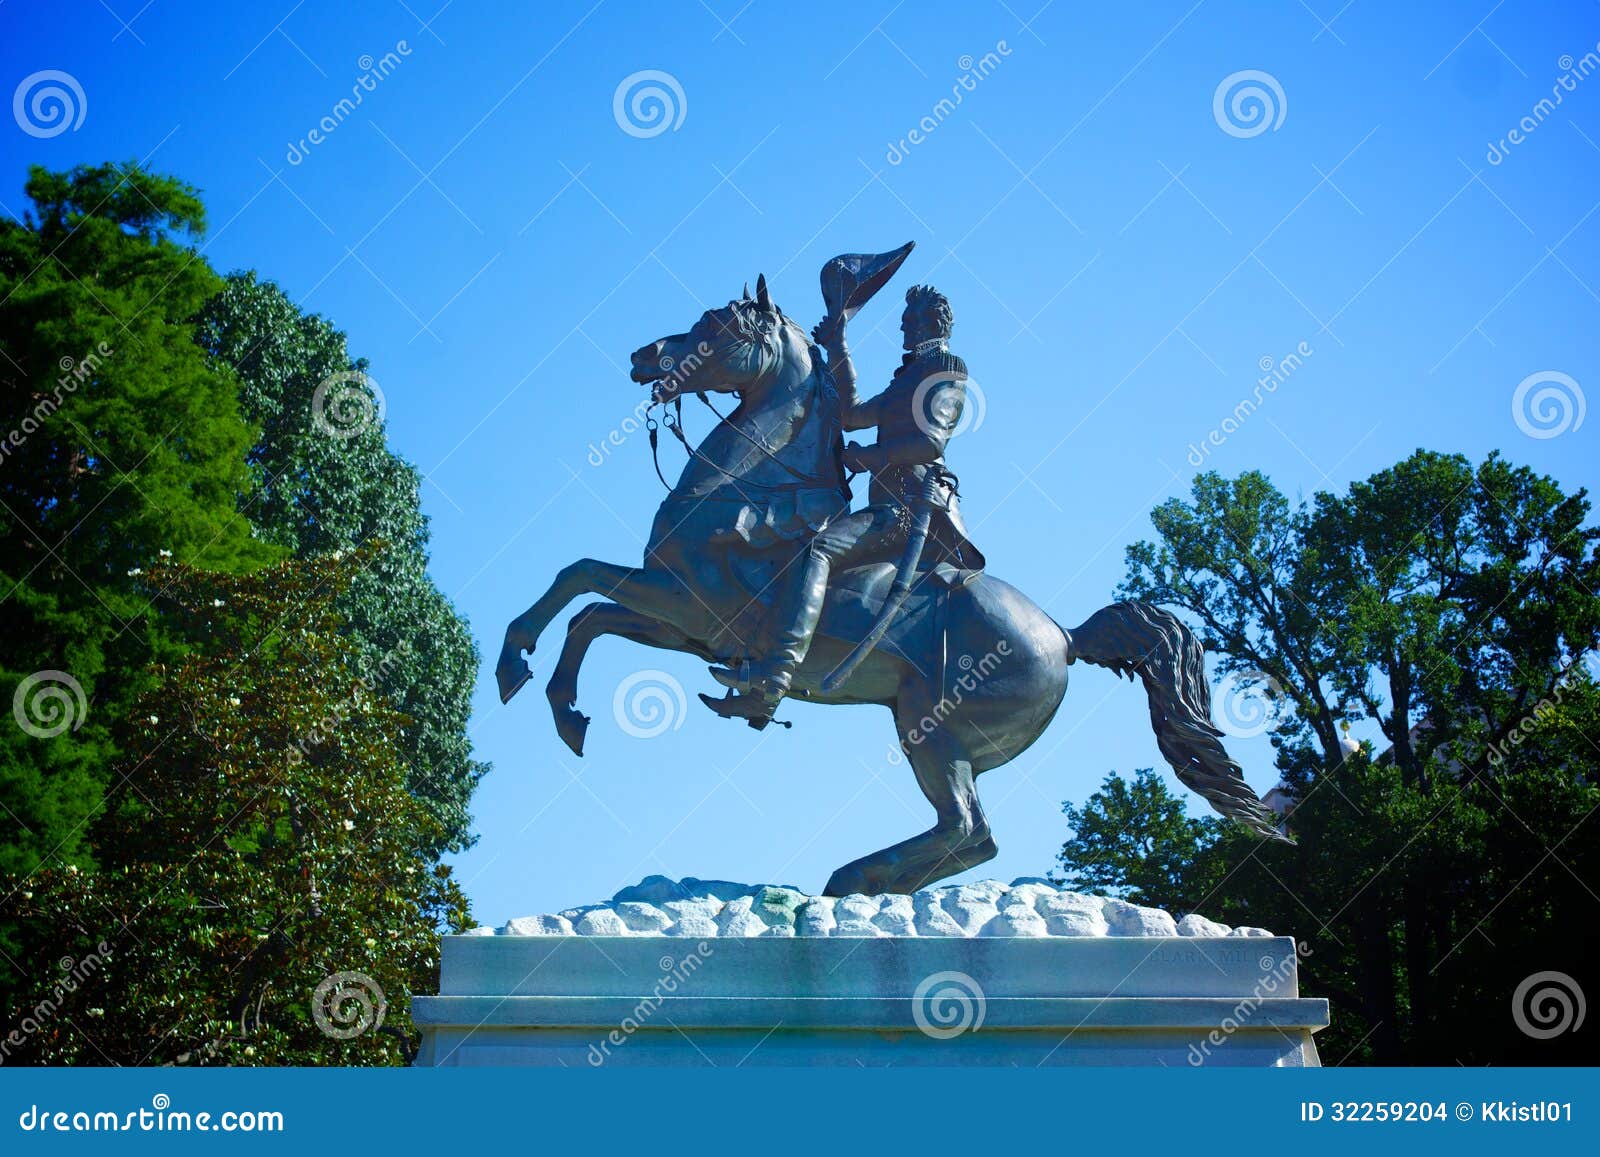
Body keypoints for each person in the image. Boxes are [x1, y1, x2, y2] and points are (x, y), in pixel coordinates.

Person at [703, 284, 985, 725]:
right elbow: (852, 415)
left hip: (908, 510)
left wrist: (866, 457)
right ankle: (766, 685)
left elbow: (930, 443)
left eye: (909, 321)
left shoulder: (945, 371)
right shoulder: (908, 376)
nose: (903, 329)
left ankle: (776, 674)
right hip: (888, 505)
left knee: (818, 550)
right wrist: (837, 343)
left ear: (932, 322)